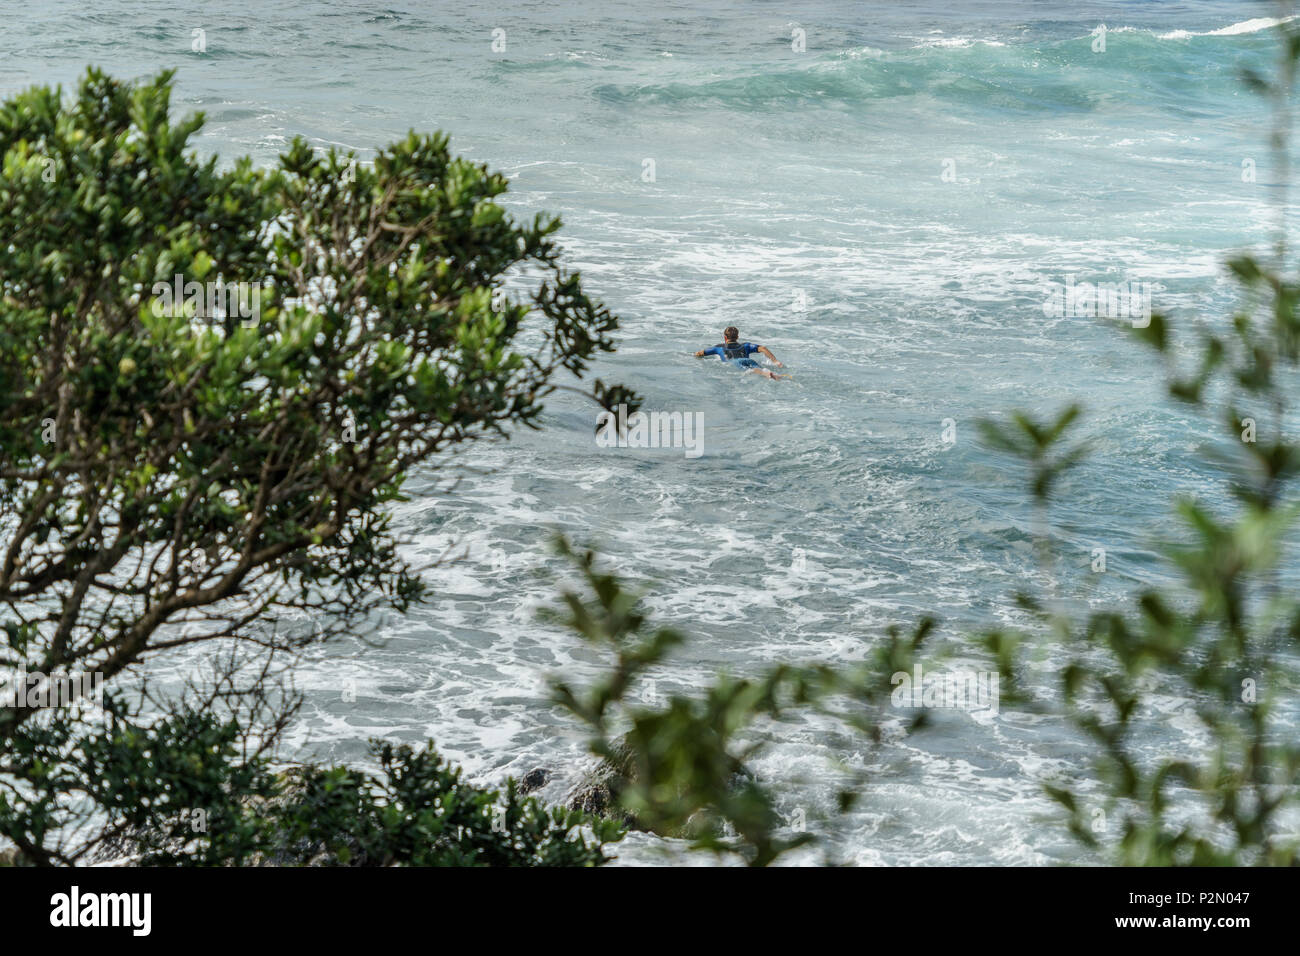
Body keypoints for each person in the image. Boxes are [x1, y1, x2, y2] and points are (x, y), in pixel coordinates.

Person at [694, 327, 786, 380]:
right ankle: (771, 374)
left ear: (725, 337)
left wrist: (696, 355)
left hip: (735, 362)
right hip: (749, 360)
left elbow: (700, 353)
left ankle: (765, 374)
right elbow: (763, 348)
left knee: (752, 371)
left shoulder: (719, 348)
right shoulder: (745, 346)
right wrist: (775, 361)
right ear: (737, 337)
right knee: (758, 369)